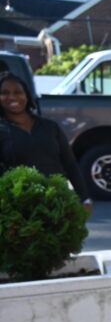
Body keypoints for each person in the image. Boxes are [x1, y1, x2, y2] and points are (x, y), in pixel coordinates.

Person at [0, 72, 92, 217]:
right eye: (4, 93)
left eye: (18, 92)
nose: (12, 97)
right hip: (17, 206)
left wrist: (84, 198)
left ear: (27, 96)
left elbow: (70, 164)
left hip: (57, 201)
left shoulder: (50, 127)